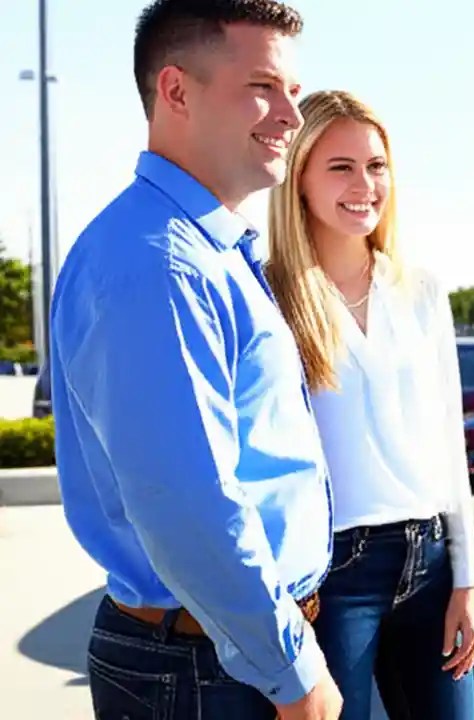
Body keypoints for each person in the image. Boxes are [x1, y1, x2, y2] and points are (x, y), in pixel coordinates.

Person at [47, 2, 343, 719]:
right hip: (210, 668)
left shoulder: (207, 252)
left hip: (224, 652)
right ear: (176, 91)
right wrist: (292, 673)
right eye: (263, 87)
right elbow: (189, 503)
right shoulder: (161, 263)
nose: (290, 117)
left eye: (293, 93)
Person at [264, 89, 474, 720]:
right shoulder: (270, 293)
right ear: (299, 178)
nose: (364, 184)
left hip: (431, 564)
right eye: (340, 167)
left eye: (376, 166)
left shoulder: (418, 288)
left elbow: (449, 439)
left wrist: (467, 581)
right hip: (331, 578)